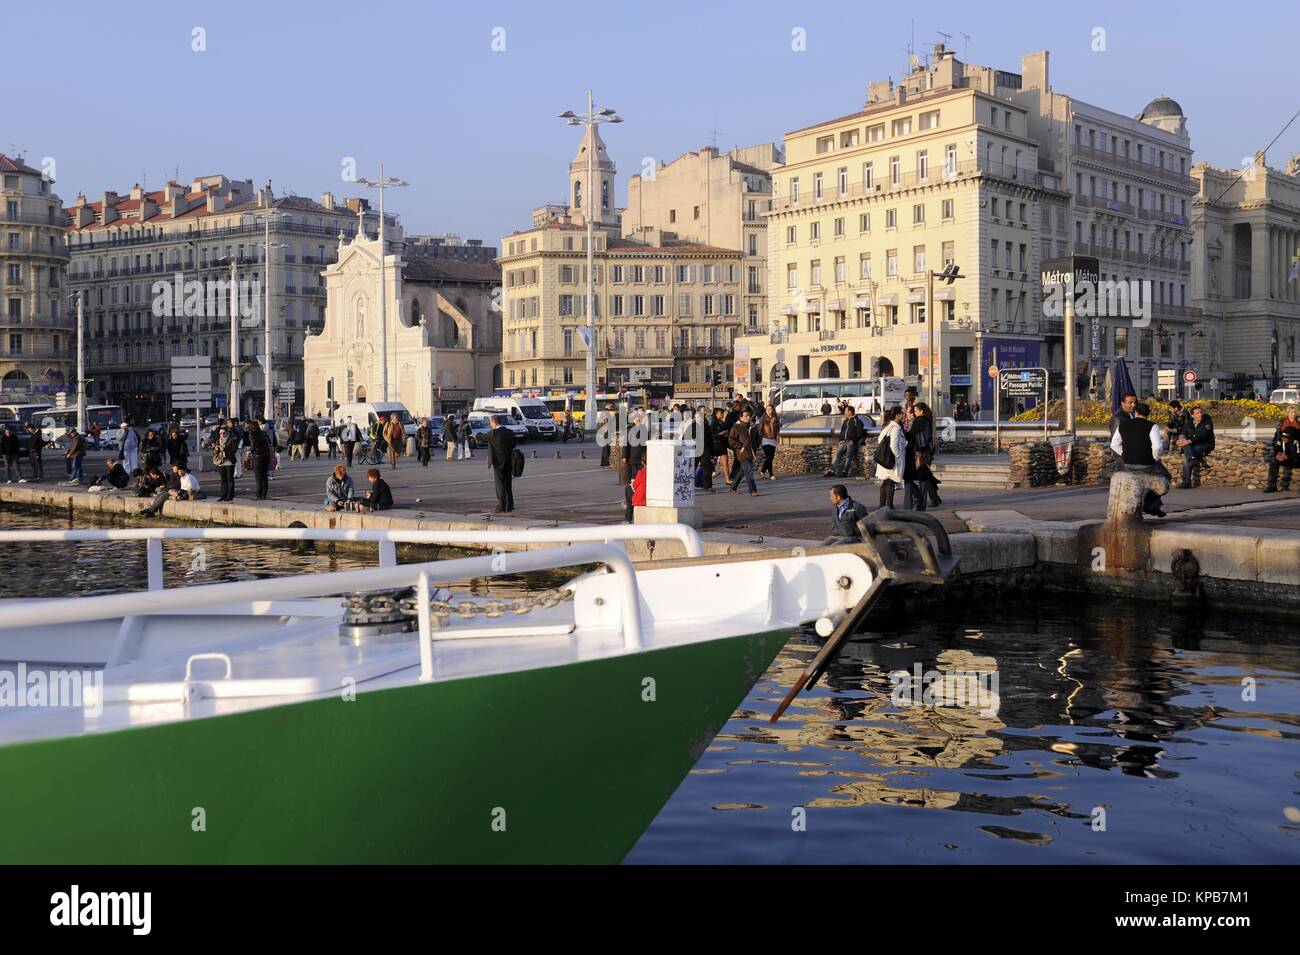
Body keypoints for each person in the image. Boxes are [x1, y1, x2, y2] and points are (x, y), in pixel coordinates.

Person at [1110, 402, 1170, 518]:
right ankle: (1151, 504)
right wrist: (1154, 458)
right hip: (1146, 463)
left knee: (1147, 480)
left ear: (1136, 412)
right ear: (1148, 414)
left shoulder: (1123, 425)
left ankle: (1152, 506)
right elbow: (1157, 446)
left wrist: (1125, 454)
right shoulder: (1152, 426)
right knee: (1166, 477)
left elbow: (1114, 444)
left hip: (1128, 463)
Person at [903, 401, 936, 510]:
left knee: (910, 478)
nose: (914, 412)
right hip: (924, 452)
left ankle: (912, 504)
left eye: (916, 410)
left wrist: (903, 429)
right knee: (923, 478)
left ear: (921, 411)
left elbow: (910, 435)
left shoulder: (919, 421)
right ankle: (925, 503)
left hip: (917, 453)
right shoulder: (927, 420)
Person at [1175, 406, 1215, 488]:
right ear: (1192, 415)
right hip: (1191, 447)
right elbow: (1182, 432)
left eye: (1201, 412)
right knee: (1182, 438)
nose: (1200, 414)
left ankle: (1186, 482)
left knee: (1186, 456)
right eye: (1197, 413)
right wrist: (1178, 440)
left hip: (1204, 446)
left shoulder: (1207, 422)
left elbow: (1203, 436)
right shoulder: (1188, 423)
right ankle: (1191, 458)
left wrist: (1188, 441)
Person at [874, 407, 906, 508]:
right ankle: (889, 506)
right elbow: (893, 445)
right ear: (897, 415)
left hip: (885, 460)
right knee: (890, 483)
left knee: (886, 482)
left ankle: (882, 505)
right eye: (902, 413)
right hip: (892, 461)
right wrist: (898, 456)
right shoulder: (895, 428)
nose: (903, 415)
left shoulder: (887, 426)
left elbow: (880, 440)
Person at [1265, 406, 1300, 493]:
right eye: (1291, 412)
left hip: (1295, 454)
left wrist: (1288, 457)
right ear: (1287, 413)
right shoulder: (1281, 423)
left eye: (1294, 412)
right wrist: (1277, 454)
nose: (1292, 414)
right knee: (1274, 461)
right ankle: (1272, 485)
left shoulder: (1298, 423)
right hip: (1283, 451)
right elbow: (1276, 441)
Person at [487, 414, 517, 512]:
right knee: (508, 484)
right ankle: (509, 505)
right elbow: (514, 444)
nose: (490, 424)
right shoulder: (509, 432)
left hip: (498, 462)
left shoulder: (493, 433)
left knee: (500, 484)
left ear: (494, 422)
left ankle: (501, 505)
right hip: (509, 461)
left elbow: (481, 437)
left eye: (491, 423)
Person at [826, 405, 865, 478]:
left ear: (850, 412)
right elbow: (842, 432)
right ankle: (832, 470)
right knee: (837, 454)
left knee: (848, 456)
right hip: (844, 442)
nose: (844, 412)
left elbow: (860, 433)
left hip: (852, 442)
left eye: (846, 411)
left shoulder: (858, 421)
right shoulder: (845, 421)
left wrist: (853, 441)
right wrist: (840, 440)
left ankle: (845, 472)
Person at [727, 408, 759, 497]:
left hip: (751, 452)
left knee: (742, 471)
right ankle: (753, 490)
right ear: (741, 417)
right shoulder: (736, 427)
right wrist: (740, 446)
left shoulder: (752, 426)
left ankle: (733, 487)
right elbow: (731, 440)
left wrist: (756, 446)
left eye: (749, 416)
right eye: (746, 416)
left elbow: (757, 437)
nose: (748, 418)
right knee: (749, 471)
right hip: (741, 453)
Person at [211, 425, 238, 501]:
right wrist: (216, 449)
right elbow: (215, 453)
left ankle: (230, 496)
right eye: (221, 433)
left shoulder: (231, 440)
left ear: (227, 433)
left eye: (224, 433)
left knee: (230, 479)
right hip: (221, 461)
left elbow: (234, 450)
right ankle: (223, 495)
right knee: (223, 480)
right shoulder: (218, 440)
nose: (222, 435)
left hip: (229, 462)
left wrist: (225, 449)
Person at [247, 417, 272, 500]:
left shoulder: (253, 435)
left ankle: (258, 494)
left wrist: (251, 452)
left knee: (258, 477)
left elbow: (253, 446)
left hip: (258, 456)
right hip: (266, 456)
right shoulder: (263, 433)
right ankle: (264, 494)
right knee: (264, 476)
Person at [758, 403, 781, 481]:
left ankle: (762, 470)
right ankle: (771, 474)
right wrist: (759, 440)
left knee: (771, 457)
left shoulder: (776, 418)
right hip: (765, 439)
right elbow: (760, 429)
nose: (768, 411)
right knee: (769, 457)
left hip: (773, 439)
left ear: (773, 410)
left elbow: (778, 429)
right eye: (767, 409)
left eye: (770, 409)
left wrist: (778, 438)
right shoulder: (763, 418)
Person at [597, 403, 614, 468]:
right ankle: (606, 463)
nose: (611, 407)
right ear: (607, 406)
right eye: (610, 406)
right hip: (606, 431)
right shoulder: (606, 413)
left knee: (605, 448)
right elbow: (606, 422)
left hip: (604, 431)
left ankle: (603, 463)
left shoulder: (603, 412)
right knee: (606, 448)